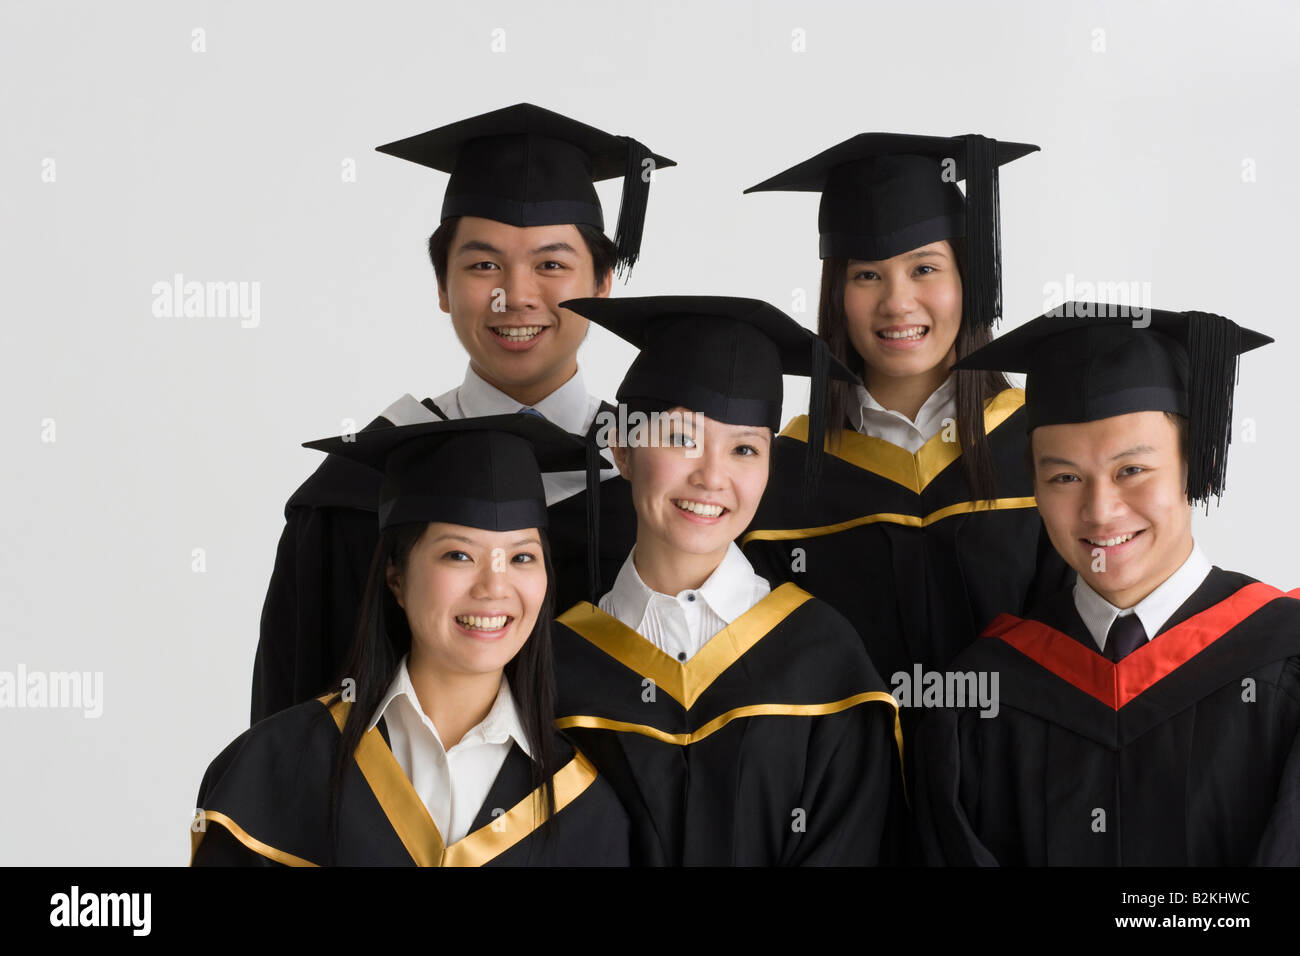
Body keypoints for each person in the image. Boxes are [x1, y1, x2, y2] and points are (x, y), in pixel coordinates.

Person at [251, 104, 675, 723]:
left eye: (552, 264)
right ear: (442, 285)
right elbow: (289, 742)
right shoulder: (351, 500)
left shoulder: (662, 487)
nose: (516, 294)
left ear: (604, 283)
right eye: (483, 265)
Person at [914, 302, 1300, 865]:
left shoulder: (1283, 658)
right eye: (1065, 477)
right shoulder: (985, 692)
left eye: (1132, 470)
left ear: (1195, 463)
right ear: (1035, 490)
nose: (1100, 511)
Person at [550, 294, 904, 866]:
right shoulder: (557, 664)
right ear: (620, 445)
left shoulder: (822, 659)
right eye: (681, 438)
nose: (712, 477)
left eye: (744, 448)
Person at [739, 134, 1072, 737]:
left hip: (1023, 805)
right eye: (867, 274)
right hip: (846, 813)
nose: (897, 302)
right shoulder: (781, 476)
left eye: (925, 268)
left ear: (970, 279)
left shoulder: (1047, 450)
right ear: (836, 295)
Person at [194, 415, 630, 866]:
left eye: (522, 556)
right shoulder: (273, 771)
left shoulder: (585, 811)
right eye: (458, 554)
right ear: (396, 576)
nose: (494, 587)